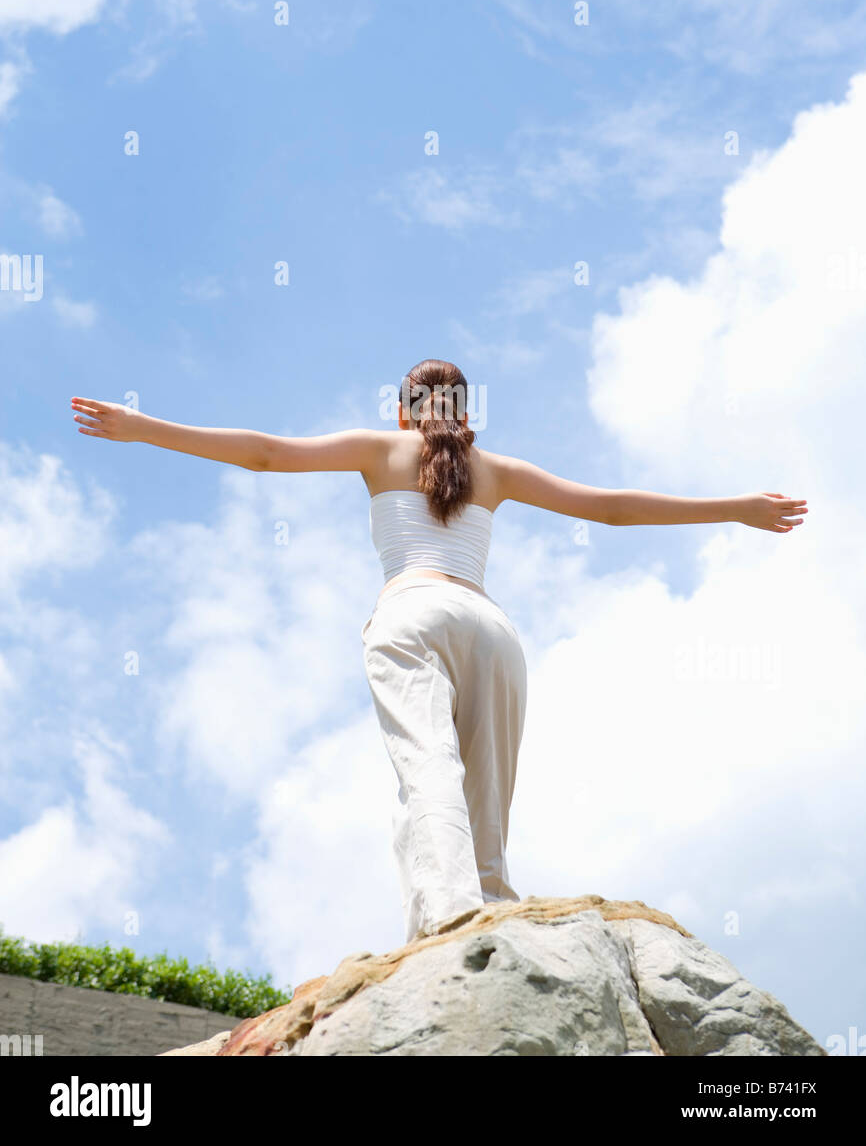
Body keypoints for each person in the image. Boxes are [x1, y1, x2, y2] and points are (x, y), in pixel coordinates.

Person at [69, 359, 807, 945]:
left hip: (412, 614)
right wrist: (735, 509)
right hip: (491, 630)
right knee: (484, 800)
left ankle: (454, 922)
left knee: (428, 774)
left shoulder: (379, 448)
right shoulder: (500, 470)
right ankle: (485, 912)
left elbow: (263, 454)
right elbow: (611, 508)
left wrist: (144, 426)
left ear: (403, 412)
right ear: (468, 418)